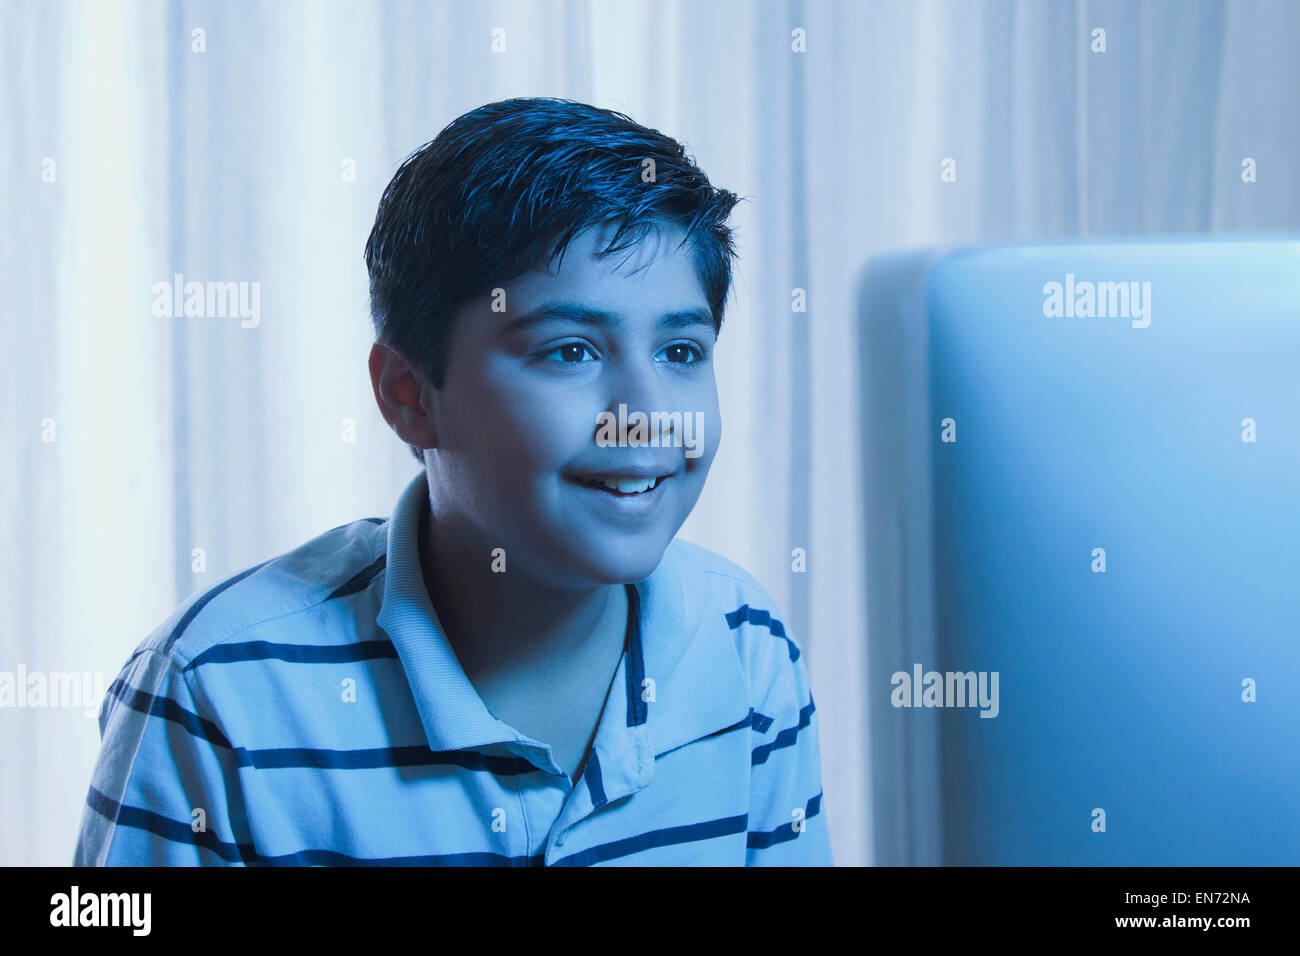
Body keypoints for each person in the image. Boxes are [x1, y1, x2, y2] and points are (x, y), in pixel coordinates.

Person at [74, 97, 833, 866]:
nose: (646, 418)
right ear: (409, 395)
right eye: (570, 351)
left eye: (680, 353)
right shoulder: (218, 691)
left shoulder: (746, 647)